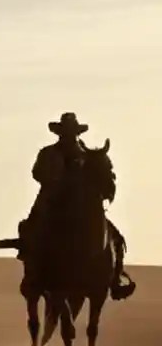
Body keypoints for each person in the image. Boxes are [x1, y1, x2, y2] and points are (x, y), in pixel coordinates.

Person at [18, 112, 133, 299]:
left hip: (81, 203)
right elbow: (37, 173)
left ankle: (114, 279)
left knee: (115, 238)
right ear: (60, 133)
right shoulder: (48, 153)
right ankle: (33, 273)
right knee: (30, 227)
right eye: (66, 132)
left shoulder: (87, 155)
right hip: (51, 200)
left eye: (72, 132)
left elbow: (100, 178)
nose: (70, 136)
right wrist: (54, 179)